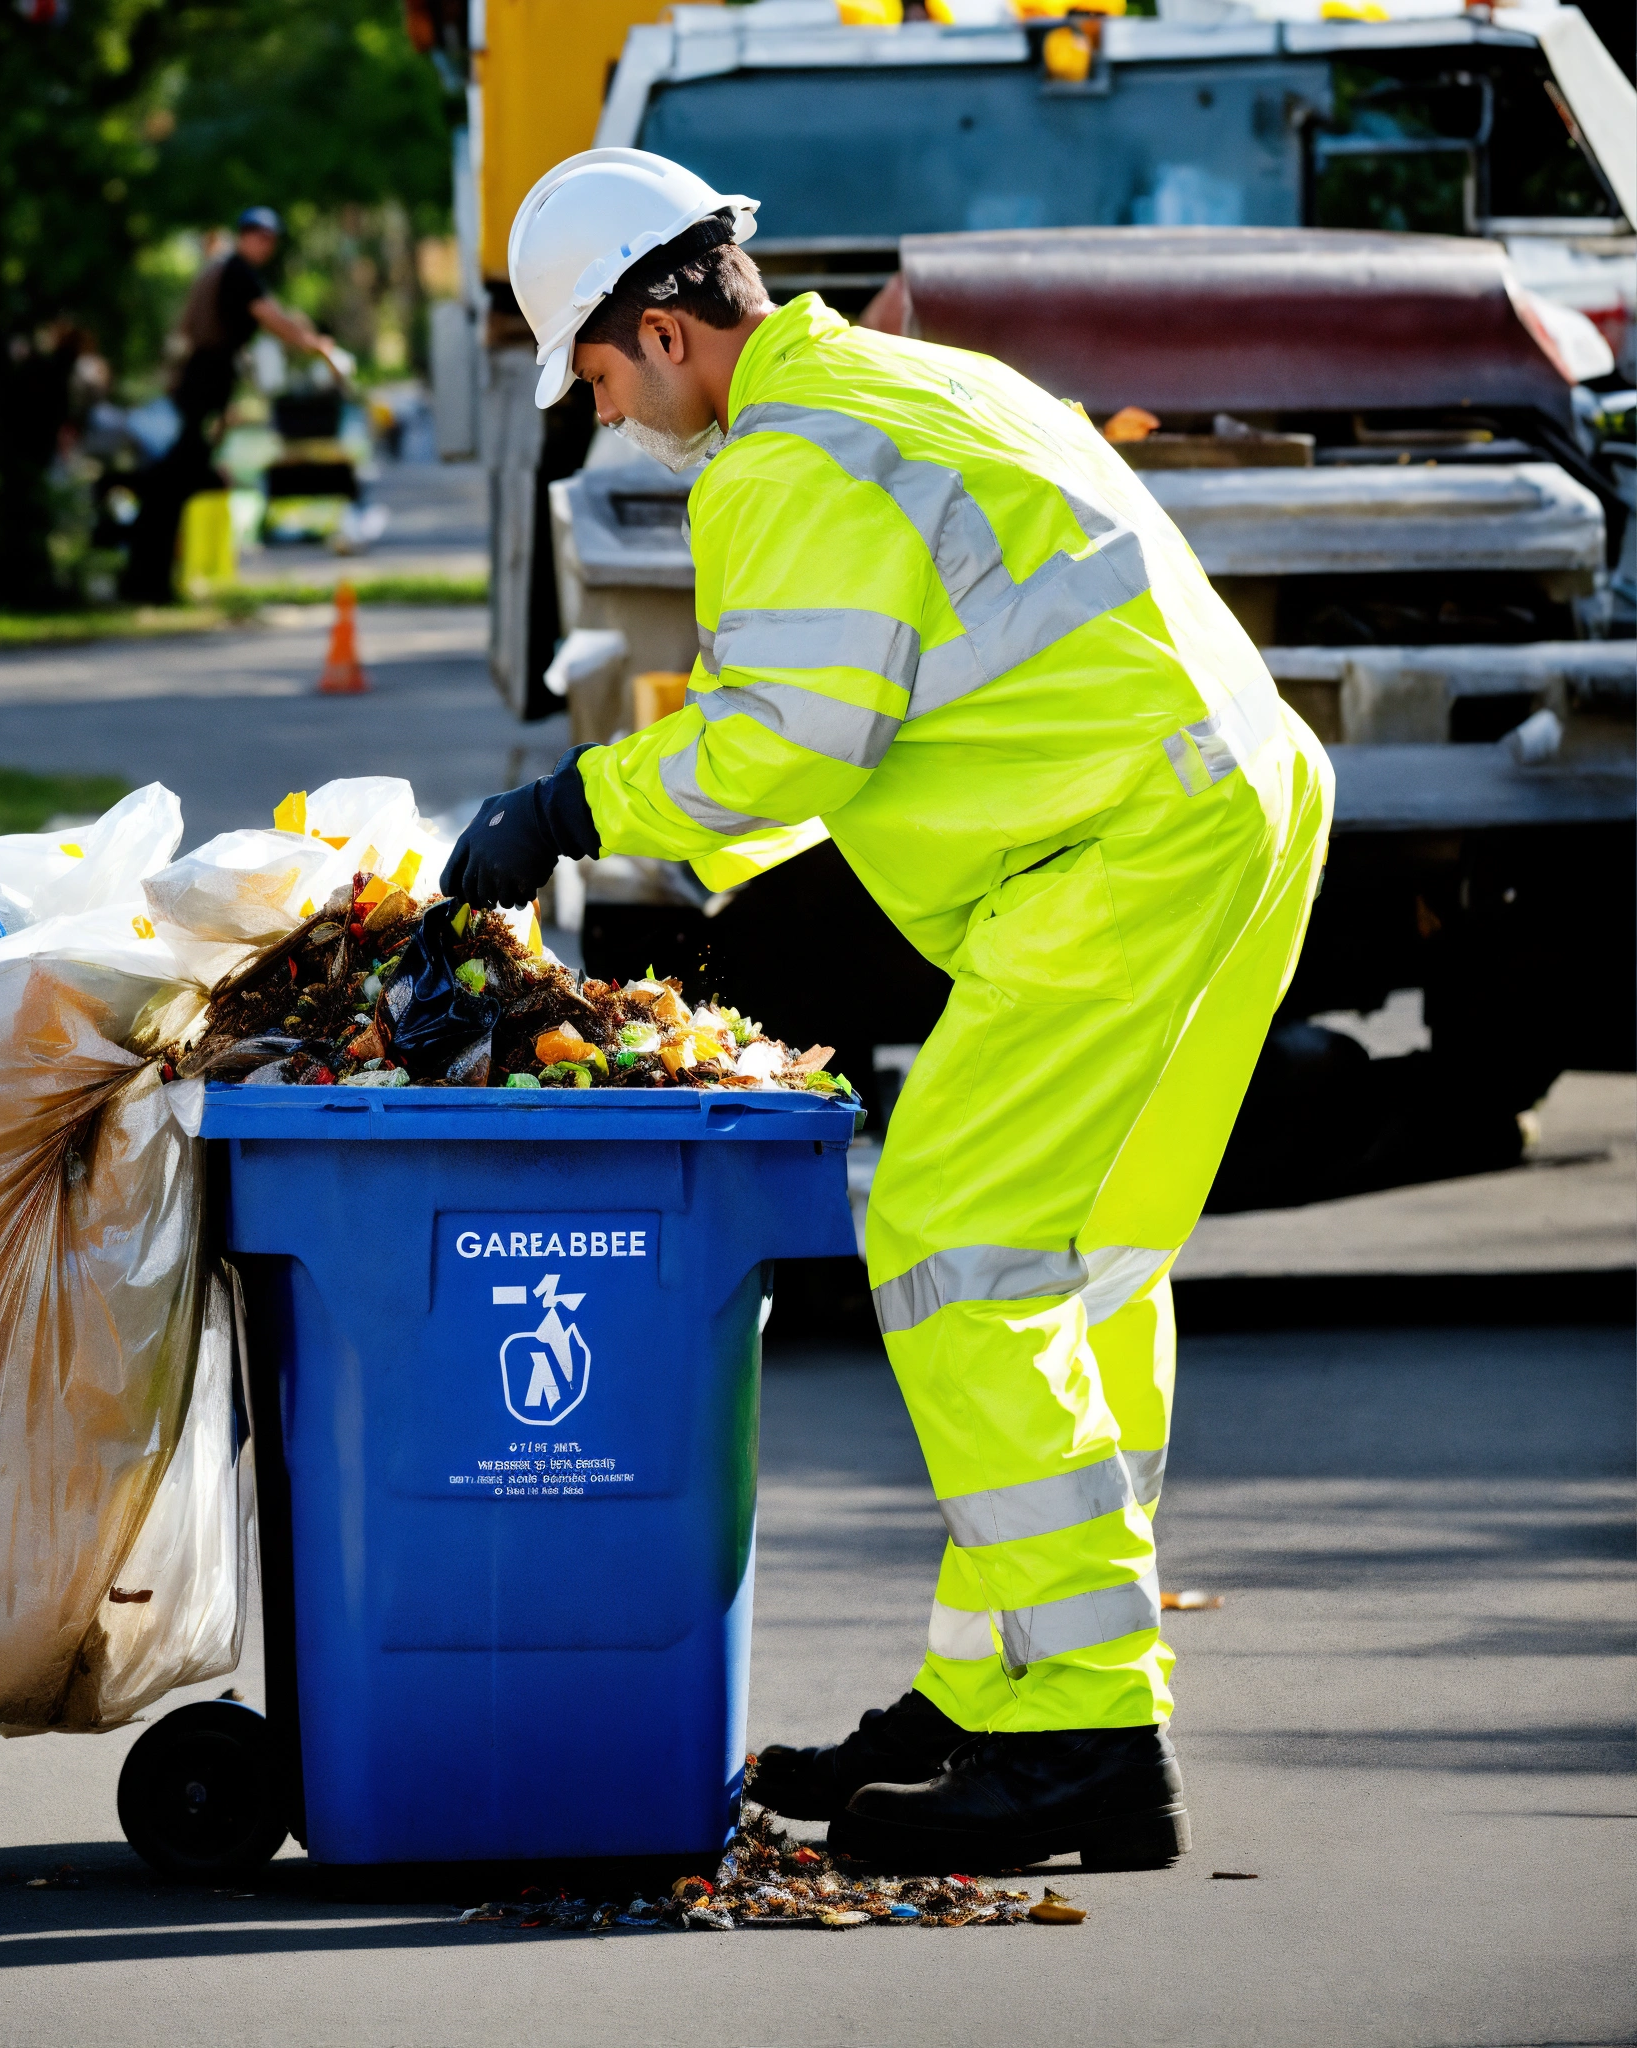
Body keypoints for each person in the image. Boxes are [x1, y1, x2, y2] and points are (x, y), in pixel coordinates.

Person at [441, 148, 1334, 1874]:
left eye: (600, 377)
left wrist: (569, 808)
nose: (608, 416)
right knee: (1070, 1271)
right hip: (1228, 807)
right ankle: (997, 1694)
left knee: (951, 1243)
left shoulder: (779, 460)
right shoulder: (913, 380)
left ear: (660, 325)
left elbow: (789, 733)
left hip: (1114, 850)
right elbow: (866, 723)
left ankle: (1082, 1731)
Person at [120, 207, 343, 602]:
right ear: (246, 236)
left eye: (270, 239)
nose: (266, 246)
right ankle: (145, 581)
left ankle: (150, 578)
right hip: (205, 382)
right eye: (260, 237)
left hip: (201, 383)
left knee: (176, 480)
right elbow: (270, 317)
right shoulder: (237, 272)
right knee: (174, 480)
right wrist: (315, 346)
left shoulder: (220, 271)